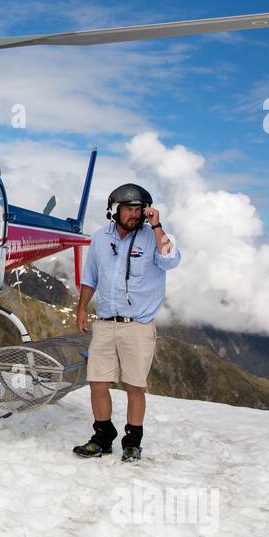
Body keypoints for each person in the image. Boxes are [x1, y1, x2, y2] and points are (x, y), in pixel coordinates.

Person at [72, 183, 180, 461]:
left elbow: (170, 260)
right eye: (129, 209)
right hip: (106, 323)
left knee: (135, 386)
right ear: (114, 210)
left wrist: (157, 227)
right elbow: (90, 278)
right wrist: (81, 309)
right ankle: (102, 438)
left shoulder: (153, 237)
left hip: (138, 325)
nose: (134, 214)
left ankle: (133, 442)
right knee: (97, 382)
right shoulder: (99, 238)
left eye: (139, 209)